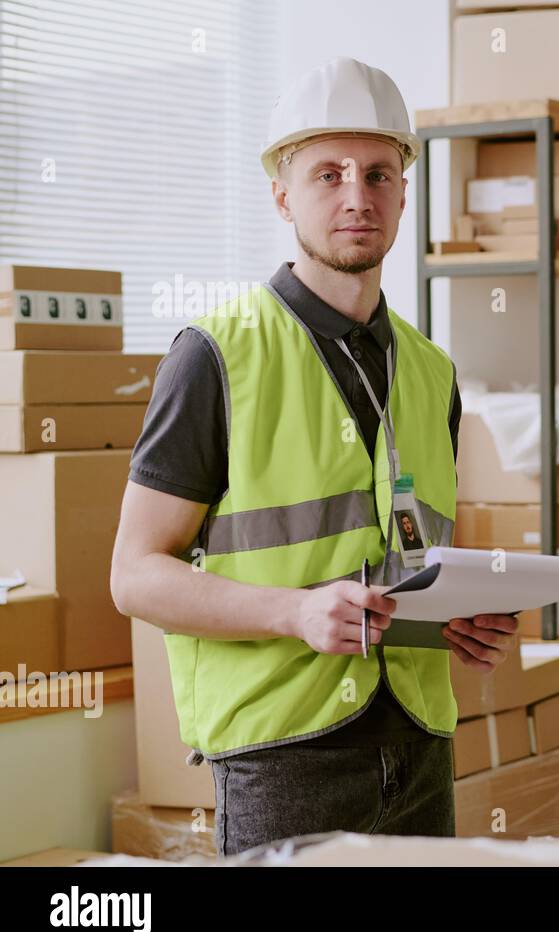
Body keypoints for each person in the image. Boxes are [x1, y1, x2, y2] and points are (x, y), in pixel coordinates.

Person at [110, 58, 516, 856]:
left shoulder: (432, 373)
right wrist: (293, 612)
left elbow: (408, 556)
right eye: (327, 174)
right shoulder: (216, 355)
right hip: (282, 757)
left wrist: (452, 620)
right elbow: (134, 575)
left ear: (403, 192)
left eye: (378, 174)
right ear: (283, 194)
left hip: (421, 745)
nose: (357, 195)